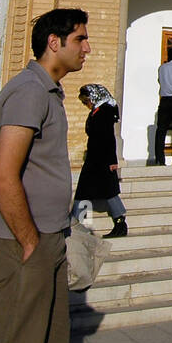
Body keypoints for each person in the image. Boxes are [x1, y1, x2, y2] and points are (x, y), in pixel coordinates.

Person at [0, 8, 89, 343]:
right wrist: (29, 242)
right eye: (80, 39)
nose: (87, 48)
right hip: (18, 245)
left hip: (43, 241)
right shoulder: (29, 91)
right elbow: (3, 177)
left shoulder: (48, 92)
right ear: (54, 44)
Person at [72, 84, 127, 238]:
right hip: (94, 158)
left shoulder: (104, 113)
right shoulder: (98, 111)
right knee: (85, 191)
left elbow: (108, 139)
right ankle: (76, 222)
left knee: (108, 191)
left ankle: (119, 222)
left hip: (102, 159)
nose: (86, 105)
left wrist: (112, 161)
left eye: (86, 101)